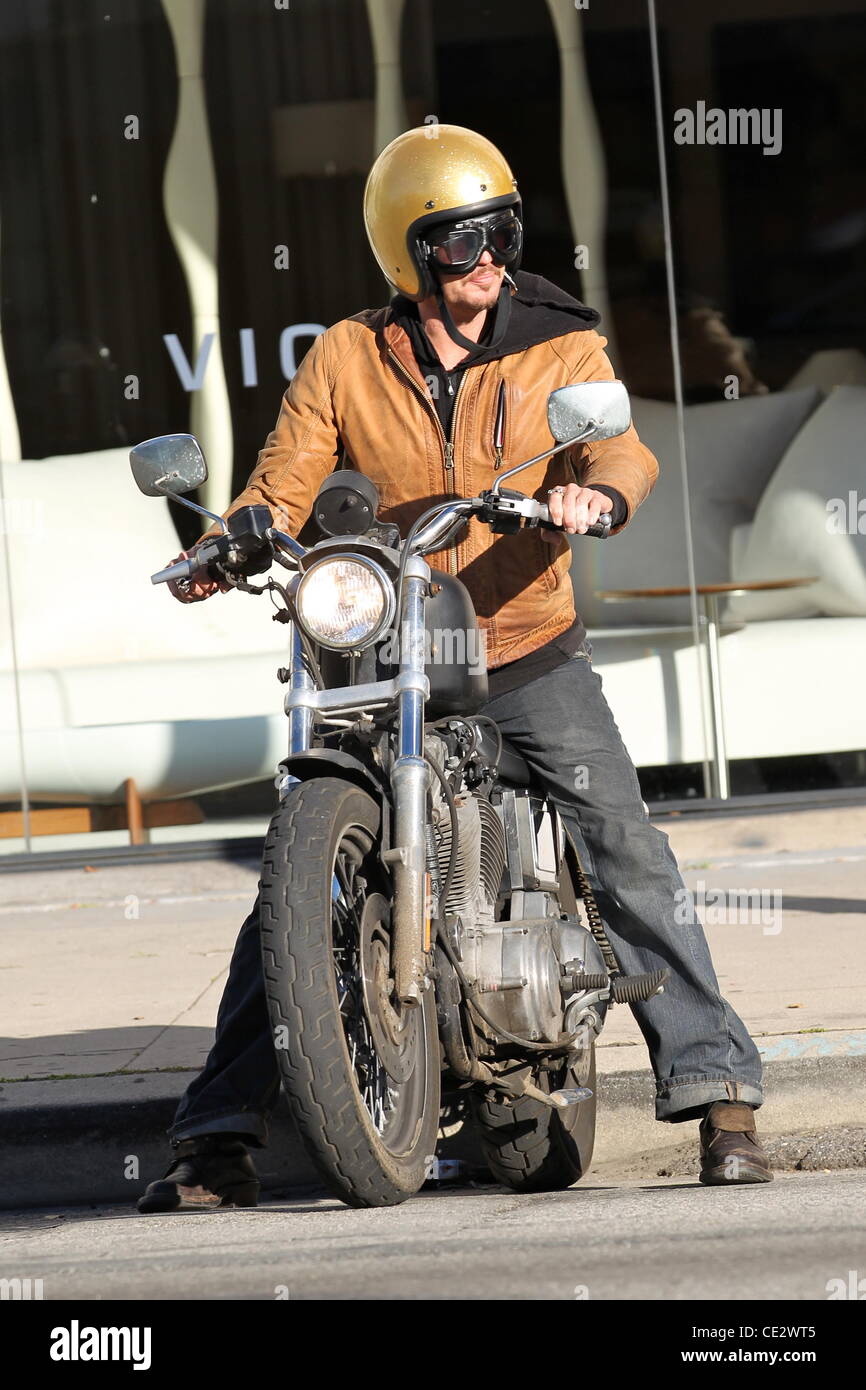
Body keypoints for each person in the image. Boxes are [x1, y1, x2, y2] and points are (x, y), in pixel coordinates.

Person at [138, 125, 770, 1214]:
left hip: (520, 646)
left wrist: (595, 494)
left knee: (621, 838)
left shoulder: (556, 344)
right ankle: (216, 1134)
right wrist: (230, 536)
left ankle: (715, 1088)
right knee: (297, 885)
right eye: (459, 242)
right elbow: (282, 478)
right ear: (407, 252)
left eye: (501, 236)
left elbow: (617, 446)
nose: (486, 261)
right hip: (382, 650)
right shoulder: (344, 353)